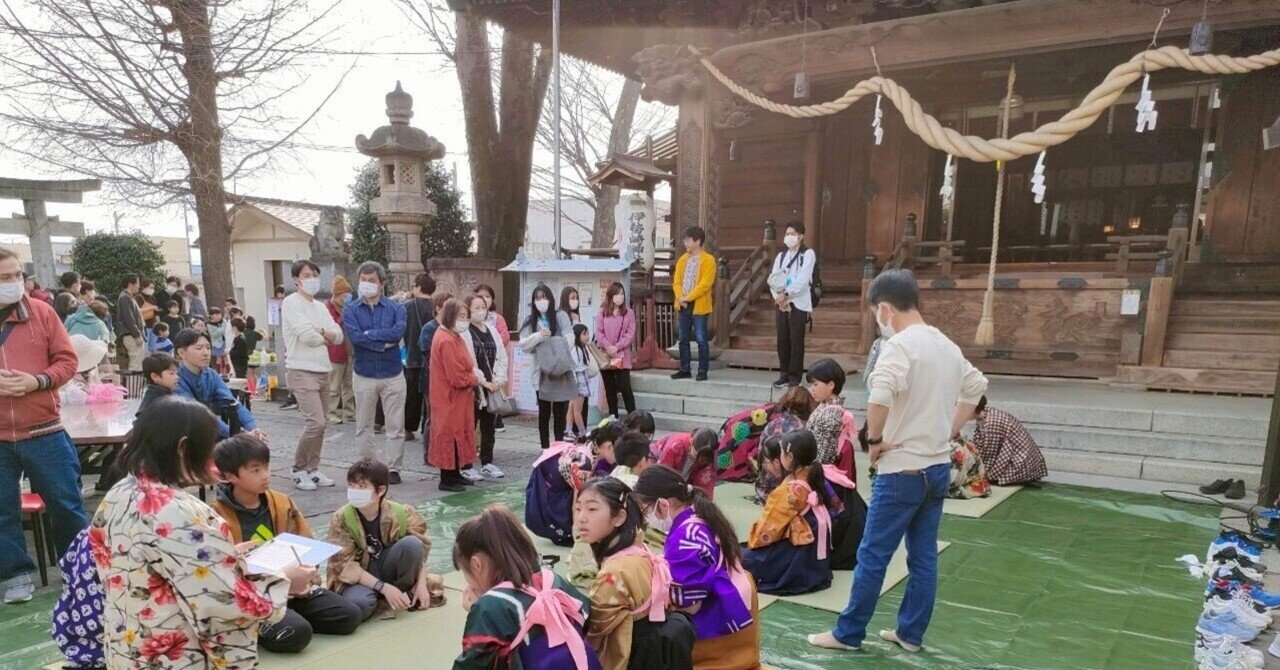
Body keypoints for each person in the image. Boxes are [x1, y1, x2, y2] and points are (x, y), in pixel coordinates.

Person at [809, 269, 987, 654]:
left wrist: (874, 441)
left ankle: (848, 633)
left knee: (873, 554)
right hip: (937, 468)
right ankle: (910, 633)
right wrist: (947, 432)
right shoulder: (946, 345)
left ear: (885, 309)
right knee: (923, 556)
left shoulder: (901, 346)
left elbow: (880, 394)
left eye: (877, 312)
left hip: (901, 468)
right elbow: (976, 386)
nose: (878, 319)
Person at [92, 396, 312, 665]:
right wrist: (284, 580)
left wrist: (223, 555)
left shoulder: (120, 492)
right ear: (184, 448)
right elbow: (221, 601)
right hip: (174, 653)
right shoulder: (175, 511)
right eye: (208, 448)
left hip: (129, 639)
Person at [210, 434, 363, 653]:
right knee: (297, 634)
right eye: (255, 470)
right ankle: (263, 621)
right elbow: (221, 571)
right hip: (255, 594)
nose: (265, 475)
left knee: (350, 616)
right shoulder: (216, 515)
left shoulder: (281, 501)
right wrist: (275, 584)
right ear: (230, 476)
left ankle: (284, 615)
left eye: (266, 467)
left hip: (294, 587)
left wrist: (305, 579)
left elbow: (305, 543)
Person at [0, 248, 84, 605]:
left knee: (66, 503)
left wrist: (38, 381)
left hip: (45, 429)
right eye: (4, 278)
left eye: (17, 275)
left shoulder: (42, 313)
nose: (14, 283)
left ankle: (79, 571)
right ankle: (16, 575)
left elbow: (68, 362)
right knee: (3, 509)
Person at [633, 465, 762, 670]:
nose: (646, 517)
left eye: (645, 509)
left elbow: (690, 606)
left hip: (718, 613)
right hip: (737, 596)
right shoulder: (698, 515)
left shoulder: (686, 539)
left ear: (663, 504)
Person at [452, 505, 602, 670]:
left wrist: (477, 608)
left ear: (476, 564)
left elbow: (473, 664)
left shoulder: (490, 607)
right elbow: (586, 613)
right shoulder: (552, 579)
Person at [575, 476, 695, 670]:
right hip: (657, 647)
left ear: (619, 517)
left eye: (592, 509)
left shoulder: (613, 573)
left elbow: (595, 636)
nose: (581, 517)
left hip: (635, 656)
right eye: (578, 508)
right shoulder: (641, 549)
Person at [324, 458, 439, 621]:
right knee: (358, 605)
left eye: (362, 486)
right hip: (360, 577)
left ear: (380, 490)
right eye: (351, 485)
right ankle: (391, 596)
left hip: (387, 568)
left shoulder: (401, 512)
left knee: (412, 544)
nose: (355, 491)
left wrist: (421, 584)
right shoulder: (341, 518)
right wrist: (383, 587)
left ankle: (402, 591)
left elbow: (422, 552)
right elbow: (343, 565)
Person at [742, 429, 833, 596]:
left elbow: (765, 533)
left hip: (795, 553)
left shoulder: (790, 490)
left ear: (790, 457)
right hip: (812, 553)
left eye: (782, 453)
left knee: (738, 559)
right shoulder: (814, 474)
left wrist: (752, 542)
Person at [280, 260, 344, 491]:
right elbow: (306, 335)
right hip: (300, 368)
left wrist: (323, 332)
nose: (311, 279)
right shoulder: (290, 303)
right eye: (307, 275)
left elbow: (338, 336)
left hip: (322, 369)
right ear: (296, 279)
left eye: (314, 275)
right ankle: (298, 469)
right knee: (314, 422)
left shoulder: (320, 307)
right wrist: (323, 334)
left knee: (322, 424)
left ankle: (312, 469)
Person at [343, 262, 408, 483]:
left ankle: (393, 468)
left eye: (371, 280)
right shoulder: (350, 309)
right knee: (364, 425)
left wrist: (371, 334)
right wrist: (382, 342)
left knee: (395, 425)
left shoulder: (396, 308)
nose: (366, 284)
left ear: (382, 284)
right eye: (363, 280)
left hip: (392, 373)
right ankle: (369, 466)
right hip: (364, 374)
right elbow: (355, 337)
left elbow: (397, 332)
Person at [172, 328, 261, 441]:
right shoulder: (175, 379)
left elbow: (232, 402)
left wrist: (253, 429)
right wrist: (236, 435)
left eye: (208, 348)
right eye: (199, 348)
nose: (206, 353)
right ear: (181, 353)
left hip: (205, 434)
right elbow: (198, 414)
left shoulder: (210, 375)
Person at [428, 298, 479, 492]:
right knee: (449, 435)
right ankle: (447, 478)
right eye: (462, 316)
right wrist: (473, 379)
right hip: (449, 397)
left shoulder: (453, 336)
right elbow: (457, 377)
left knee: (459, 434)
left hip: (458, 398)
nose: (465, 320)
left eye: (466, 316)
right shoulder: (446, 339)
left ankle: (456, 474)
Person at [518, 284, 576, 450]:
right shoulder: (531, 321)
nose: (541, 301)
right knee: (544, 413)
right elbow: (524, 345)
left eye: (544, 297)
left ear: (551, 298)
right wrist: (538, 336)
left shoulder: (560, 316)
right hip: (540, 373)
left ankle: (559, 447)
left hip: (560, 371)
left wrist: (553, 345)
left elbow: (570, 338)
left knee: (560, 413)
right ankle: (544, 448)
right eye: (537, 298)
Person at [461, 292, 507, 480]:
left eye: (483, 307)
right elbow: (468, 362)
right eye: (476, 308)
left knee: (489, 426)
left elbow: (502, 356)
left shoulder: (492, 330)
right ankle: (466, 464)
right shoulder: (465, 333)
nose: (481, 311)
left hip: (492, 386)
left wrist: (498, 379)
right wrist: (483, 381)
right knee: (470, 426)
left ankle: (487, 461)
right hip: (475, 388)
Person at [770, 221, 817, 389]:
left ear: (800, 236)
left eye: (792, 234)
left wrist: (786, 294)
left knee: (796, 340)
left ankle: (794, 376)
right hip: (781, 304)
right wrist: (777, 296)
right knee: (782, 339)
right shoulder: (781, 256)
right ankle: (783, 374)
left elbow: (803, 280)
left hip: (798, 303)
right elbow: (773, 279)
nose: (788, 237)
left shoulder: (808, 254)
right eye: (787, 234)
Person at [755, 386, 816, 503]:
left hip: (765, 488)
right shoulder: (806, 429)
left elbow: (760, 455)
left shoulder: (771, 425)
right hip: (793, 490)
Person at [969, 396, 1047, 485]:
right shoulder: (987, 413)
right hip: (1024, 456)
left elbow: (989, 455)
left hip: (1021, 463)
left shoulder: (990, 424)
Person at [671, 226, 715, 382]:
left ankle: (702, 370)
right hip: (683, 303)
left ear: (698, 241)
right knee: (682, 338)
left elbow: (705, 284)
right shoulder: (682, 259)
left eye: (689, 239)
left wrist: (687, 297)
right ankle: (685, 369)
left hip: (698, 304)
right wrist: (680, 297)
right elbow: (676, 282)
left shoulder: (709, 260)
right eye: (685, 239)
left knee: (701, 338)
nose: (685, 242)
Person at [593, 282, 636, 419]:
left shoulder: (629, 313)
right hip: (606, 357)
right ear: (611, 296)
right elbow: (598, 333)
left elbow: (630, 334)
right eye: (617, 293)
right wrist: (608, 347)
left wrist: (617, 347)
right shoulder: (602, 312)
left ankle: (633, 418)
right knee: (610, 391)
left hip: (622, 356)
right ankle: (613, 419)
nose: (620, 297)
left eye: (622, 294)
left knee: (625, 387)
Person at [402, 273, 436, 442]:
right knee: (431, 395)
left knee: (412, 396)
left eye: (413, 286)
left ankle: (408, 428)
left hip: (412, 356)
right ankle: (427, 427)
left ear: (419, 287)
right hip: (432, 358)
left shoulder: (407, 306)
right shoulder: (437, 306)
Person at [417, 291, 449, 461]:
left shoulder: (453, 328)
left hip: (450, 381)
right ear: (438, 308)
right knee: (432, 418)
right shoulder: (429, 329)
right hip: (432, 379)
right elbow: (427, 352)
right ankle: (429, 454)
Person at [474, 284, 510, 433]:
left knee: (494, 402)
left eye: (488, 296)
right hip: (477, 376)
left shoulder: (496, 319)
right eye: (481, 296)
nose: (485, 300)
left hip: (493, 368)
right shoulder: (467, 326)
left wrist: (493, 342)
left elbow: (505, 336)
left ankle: (497, 422)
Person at [651, 427, 719, 498]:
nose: (699, 460)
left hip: (684, 481)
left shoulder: (710, 457)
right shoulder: (675, 446)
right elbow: (660, 475)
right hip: (659, 468)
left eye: (703, 458)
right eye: (696, 455)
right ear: (691, 441)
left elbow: (706, 490)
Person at [325, 277, 357, 423]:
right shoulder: (327, 309)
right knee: (334, 385)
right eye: (345, 295)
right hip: (334, 353)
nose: (347, 298)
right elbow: (331, 327)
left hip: (349, 351)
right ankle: (330, 411)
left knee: (348, 385)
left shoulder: (347, 307)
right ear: (337, 295)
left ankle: (349, 412)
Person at [568, 323, 600, 441]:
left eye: (587, 334)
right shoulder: (577, 350)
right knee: (577, 411)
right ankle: (582, 433)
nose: (587, 336)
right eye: (584, 334)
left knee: (572, 407)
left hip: (580, 379)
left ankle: (569, 430)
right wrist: (575, 385)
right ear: (577, 336)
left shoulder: (581, 349)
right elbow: (573, 368)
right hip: (578, 381)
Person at [114, 273, 145, 372]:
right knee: (136, 364)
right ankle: (134, 387)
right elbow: (129, 318)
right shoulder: (125, 297)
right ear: (130, 284)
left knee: (137, 363)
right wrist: (137, 335)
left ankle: (135, 387)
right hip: (131, 335)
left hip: (131, 334)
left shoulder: (127, 296)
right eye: (137, 283)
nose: (139, 286)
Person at [207, 306, 230, 374]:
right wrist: (222, 329)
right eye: (216, 314)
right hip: (217, 344)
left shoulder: (221, 322)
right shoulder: (209, 324)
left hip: (224, 342)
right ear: (211, 315)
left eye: (219, 314)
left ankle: (226, 372)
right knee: (219, 357)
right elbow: (214, 334)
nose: (219, 316)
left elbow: (225, 320)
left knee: (225, 357)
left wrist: (226, 312)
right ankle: (219, 372)